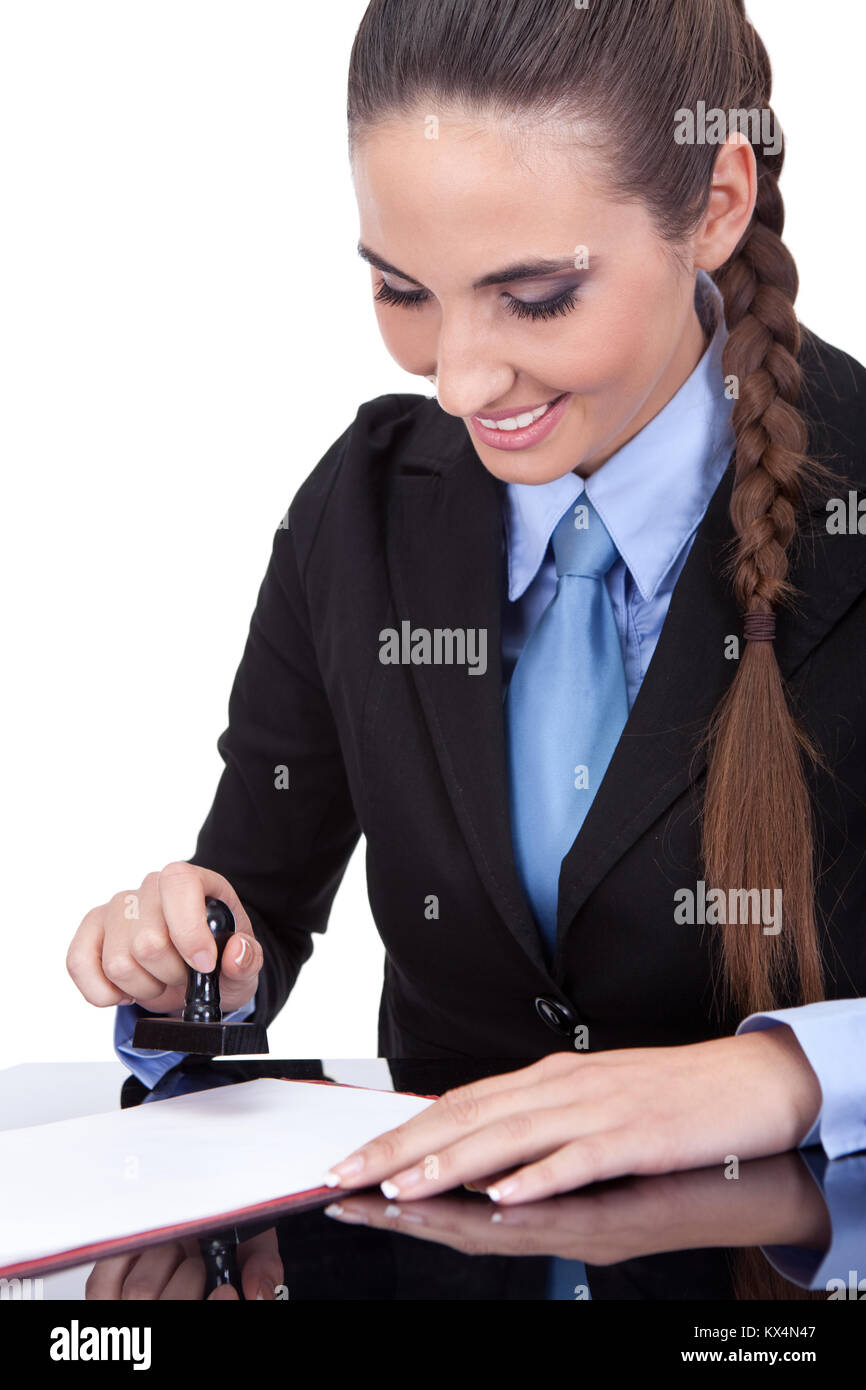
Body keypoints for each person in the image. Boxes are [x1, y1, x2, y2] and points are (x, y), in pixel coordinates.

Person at [67, 0, 866, 1214]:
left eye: (535, 296)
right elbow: (253, 912)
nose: (456, 379)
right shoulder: (365, 503)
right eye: (402, 291)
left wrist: (787, 1077)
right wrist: (192, 960)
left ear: (713, 204)